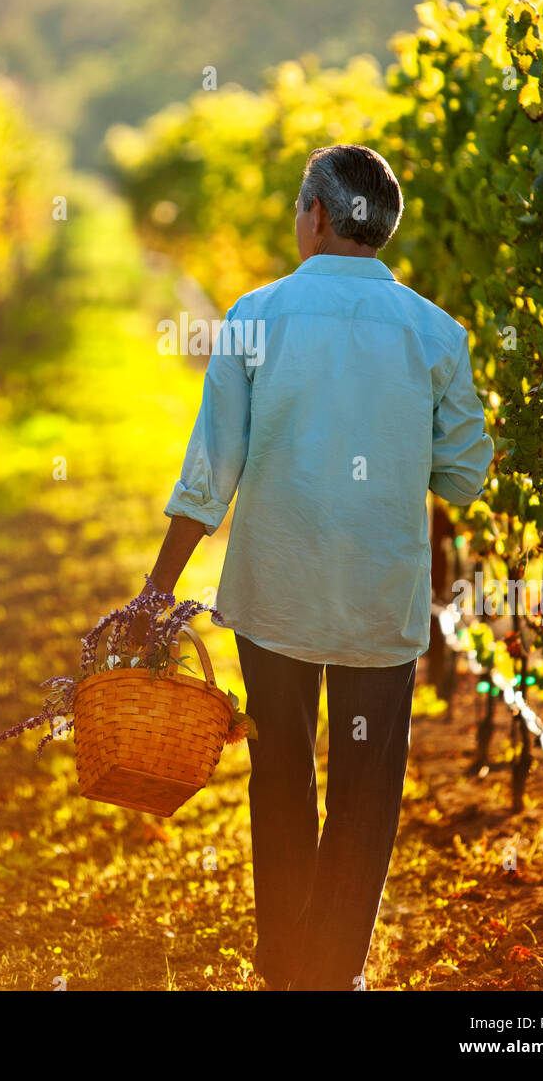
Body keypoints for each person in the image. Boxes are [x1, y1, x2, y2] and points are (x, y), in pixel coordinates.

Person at [141, 144, 493, 992]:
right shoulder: (435, 333)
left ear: (319, 216)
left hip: (278, 596)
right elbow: (465, 476)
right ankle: (331, 974)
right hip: (379, 602)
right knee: (366, 794)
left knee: (280, 777)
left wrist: (158, 589)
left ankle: (285, 966)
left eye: (301, 206)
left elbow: (209, 473)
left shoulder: (256, 316)